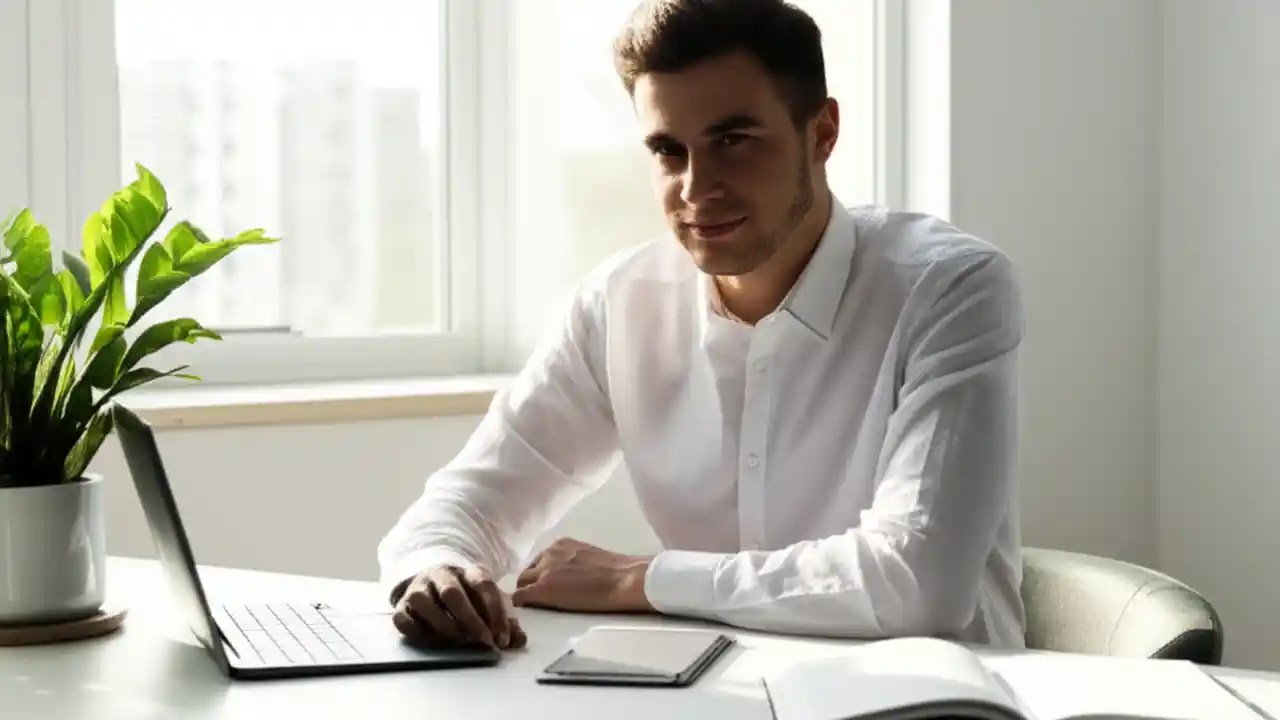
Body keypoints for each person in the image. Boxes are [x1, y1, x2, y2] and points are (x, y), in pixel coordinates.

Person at [378, 0, 1025, 653]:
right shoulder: (619, 304)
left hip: (932, 698)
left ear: (822, 133)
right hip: (713, 696)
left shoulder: (946, 289)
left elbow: (917, 582)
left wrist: (644, 580)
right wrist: (436, 567)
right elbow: (469, 500)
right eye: (668, 149)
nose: (696, 187)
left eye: (733, 142)